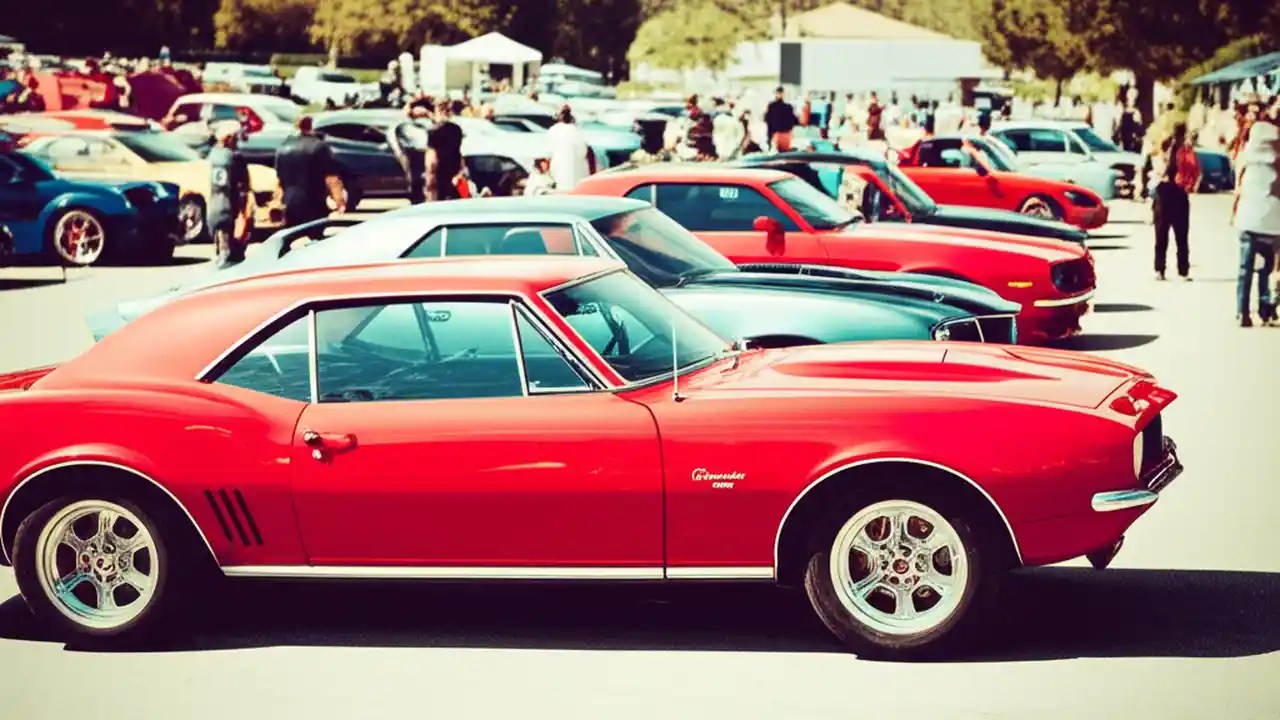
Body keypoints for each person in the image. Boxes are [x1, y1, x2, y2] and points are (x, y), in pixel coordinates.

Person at [1233, 98, 1280, 327]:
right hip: (1272, 221)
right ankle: (1264, 309)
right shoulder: (1277, 161)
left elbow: (1238, 187)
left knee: (1246, 268)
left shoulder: (1247, 156)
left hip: (1249, 219)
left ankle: (1242, 312)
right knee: (1266, 268)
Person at [1151, 122, 1200, 281]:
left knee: (1161, 235)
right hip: (1179, 193)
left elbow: (1157, 170)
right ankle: (1183, 271)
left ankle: (1160, 270)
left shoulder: (1163, 148)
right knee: (1182, 236)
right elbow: (1196, 171)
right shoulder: (1186, 151)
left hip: (1163, 192)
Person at [275, 116, 344, 227]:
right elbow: (331, 179)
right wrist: (339, 201)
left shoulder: (283, 148)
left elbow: (278, 181)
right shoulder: (319, 147)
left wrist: (278, 202)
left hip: (289, 205)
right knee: (317, 239)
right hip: (314, 204)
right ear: (312, 127)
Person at [206, 122, 252, 267]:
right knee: (231, 255)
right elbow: (244, 186)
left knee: (220, 248)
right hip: (230, 207)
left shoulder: (212, 155)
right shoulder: (235, 157)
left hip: (214, 206)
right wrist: (245, 211)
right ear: (230, 138)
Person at [391, 97, 432, 204]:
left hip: (427, 153)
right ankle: (417, 200)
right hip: (413, 154)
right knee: (415, 181)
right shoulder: (403, 125)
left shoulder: (430, 124)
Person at [545, 104, 591, 191]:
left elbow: (548, 152)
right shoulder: (576, 131)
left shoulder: (553, 130)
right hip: (577, 169)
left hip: (558, 166)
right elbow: (583, 152)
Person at [765, 86, 798, 152]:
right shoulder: (789, 107)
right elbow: (794, 121)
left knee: (776, 154)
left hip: (777, 134)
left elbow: (768, 122)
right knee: (786, 153)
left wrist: (769, 138)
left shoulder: (772, 106)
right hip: (786, 134)